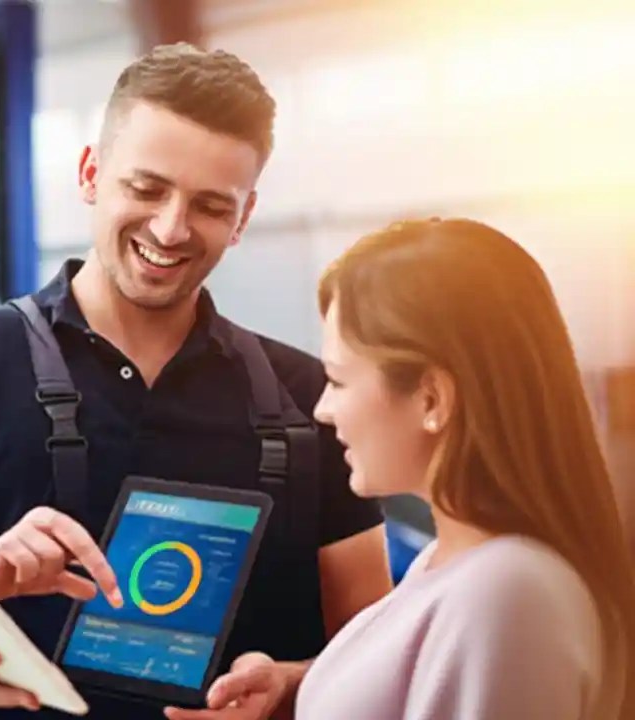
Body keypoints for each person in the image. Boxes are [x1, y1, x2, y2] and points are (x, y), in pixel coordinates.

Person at [0, 43, 395, 719]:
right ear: (90, 172)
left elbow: (373, 652)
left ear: (243, 218)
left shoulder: (308, 396)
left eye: (209, 205)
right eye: (146, 189)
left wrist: (287, 687)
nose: (170, 228)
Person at [188, 218, 635, 720]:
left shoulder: (506, 593)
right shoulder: (454, 565)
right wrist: (296, 687)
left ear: (431, 397)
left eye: (337, 380)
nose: (322, 410)